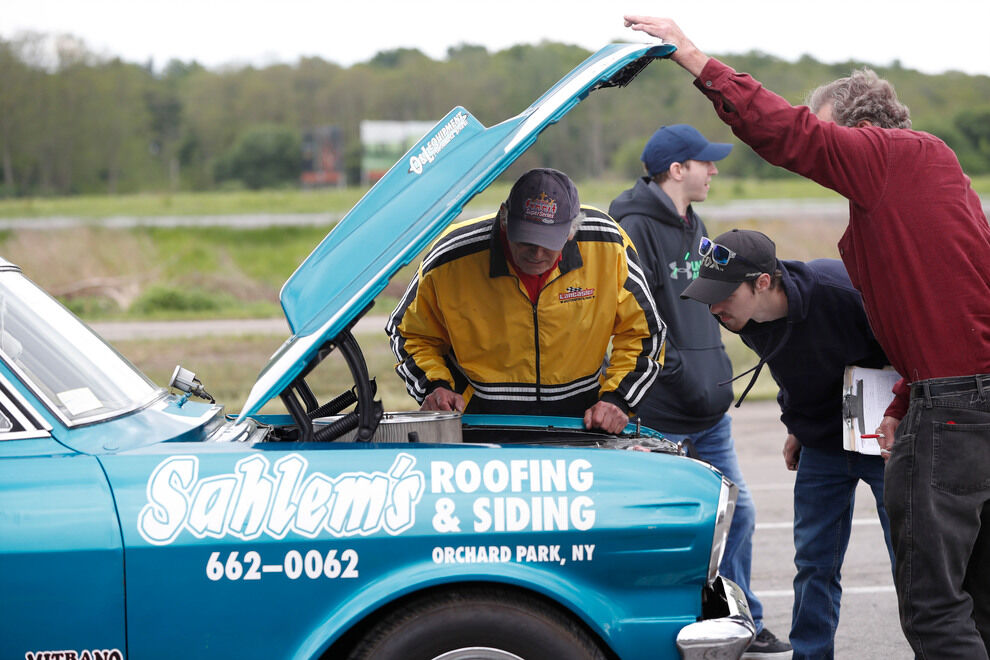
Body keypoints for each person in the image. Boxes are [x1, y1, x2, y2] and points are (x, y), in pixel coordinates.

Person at [623, 14, 990, 659]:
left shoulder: (890, 158)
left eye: (827, 134)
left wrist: (693, 59)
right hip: (959, 399)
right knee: (974, 593)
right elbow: (946, 315)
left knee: (934, 609)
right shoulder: (928, 179)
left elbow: (784, 134)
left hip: (956, 413)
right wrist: (906, 402)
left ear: (855, 131)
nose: (821, 158)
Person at [609, 126, 791, 658]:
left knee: (742, 515)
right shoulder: (632, 227)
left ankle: (743, 624)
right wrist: (683, 377)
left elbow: (710, 310)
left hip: (710, 409)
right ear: (675, 170)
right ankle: (675, 627)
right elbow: (636, 324)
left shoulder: (697, 225)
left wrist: (712, 374)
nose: (713, 170)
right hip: (663, 410)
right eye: (704, 163)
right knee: (669, 527)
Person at [682, 228, 896, 659]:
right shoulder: (743, 319)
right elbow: (794, 372)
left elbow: (909, 347)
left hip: (886, 440)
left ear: (763, 282)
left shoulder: (841, 291)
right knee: (813, 566)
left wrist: (900, 413)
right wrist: (796, 425)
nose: (714, 307)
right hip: (822, 446)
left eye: (723, 294)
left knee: (913, 564)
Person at [387, 167, 665, 433]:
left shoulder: (607, 244)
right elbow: (408, 332)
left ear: (572, 230)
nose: (536, 253)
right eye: (526, 240)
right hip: (481, 427)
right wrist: (434, 386)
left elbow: (644, 332)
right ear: (504, 218)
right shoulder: (452, 257)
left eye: (548, 242)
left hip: (581, 425)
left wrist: (618, 399)